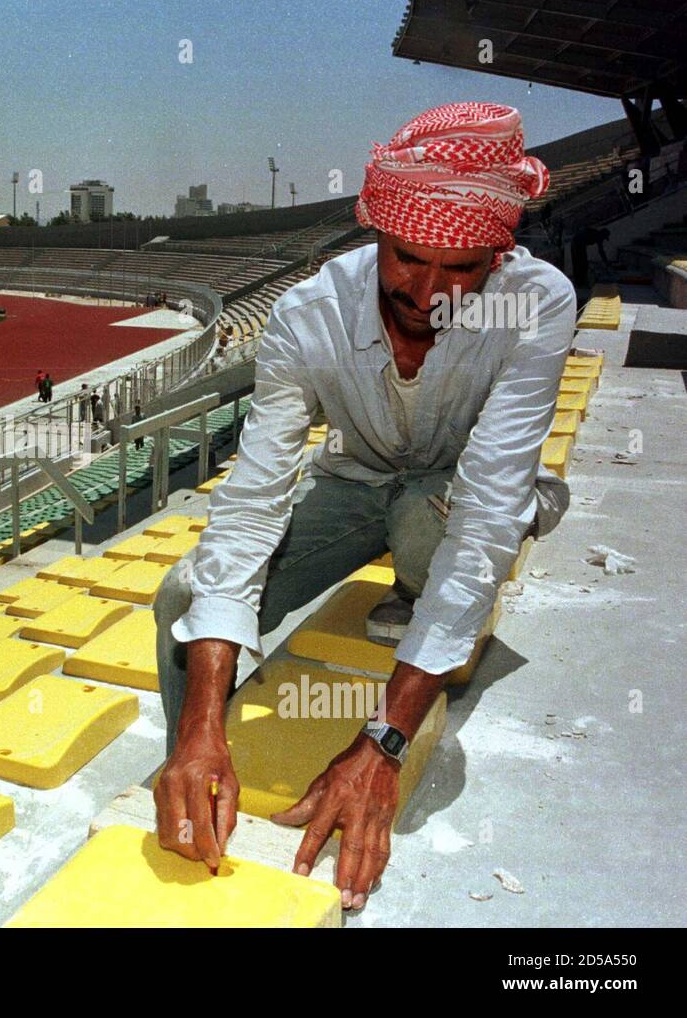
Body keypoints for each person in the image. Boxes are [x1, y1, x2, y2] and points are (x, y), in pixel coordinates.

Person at [152, 102, 573, 911]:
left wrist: (379, 742)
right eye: (410, 259)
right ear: (377, 229)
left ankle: (417, 602)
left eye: (463, 270)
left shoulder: (536, 302)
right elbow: (250, 507)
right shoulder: (306, 316)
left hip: (455, 490)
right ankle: (196, 767)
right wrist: (203, 723)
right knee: (183, 594)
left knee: (430, 517)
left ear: (499, 251)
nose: (430, 293)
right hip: (355, 479)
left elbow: (484, 513)